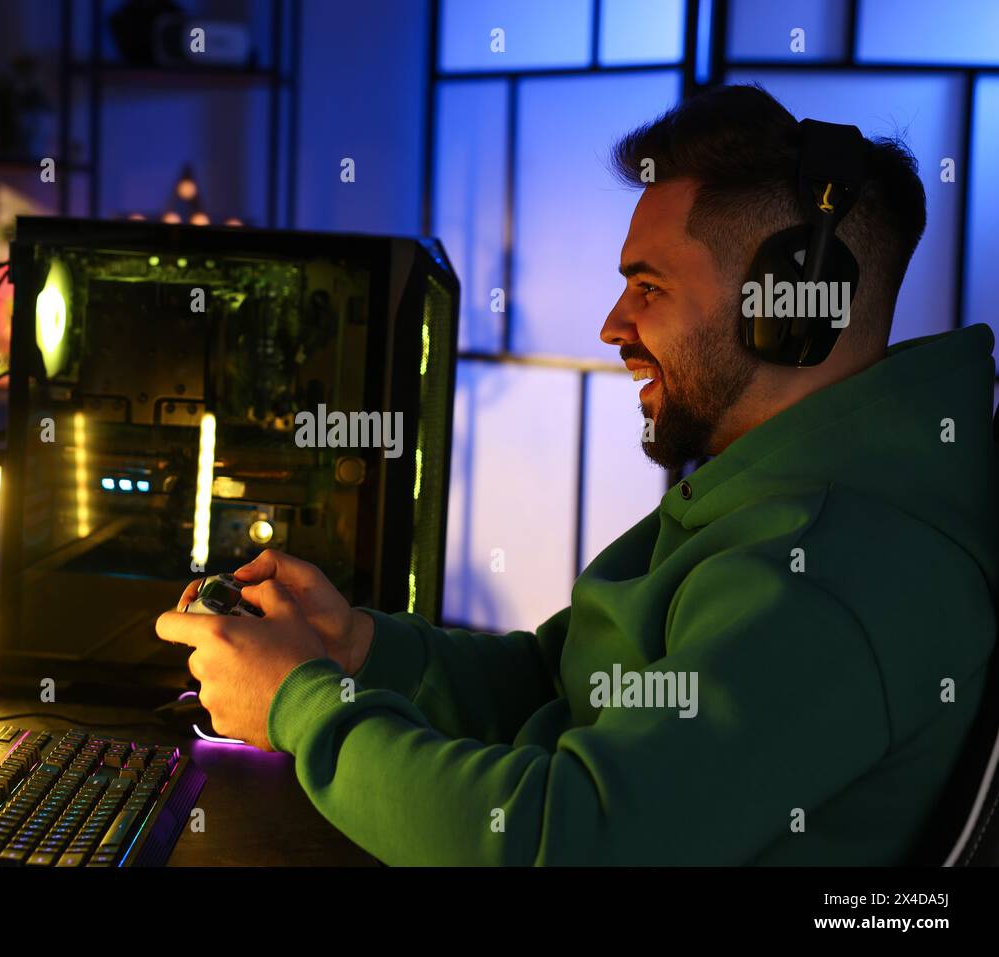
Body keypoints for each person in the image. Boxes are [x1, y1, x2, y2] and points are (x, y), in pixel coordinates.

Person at [155, 84, 997, 865]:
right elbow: (559, 683)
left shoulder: (839, 572)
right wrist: (361, 650)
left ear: (786, 306)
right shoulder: (773, 490)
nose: (611, 325)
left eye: (648, 287)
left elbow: (566, 840)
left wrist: (299, 704)